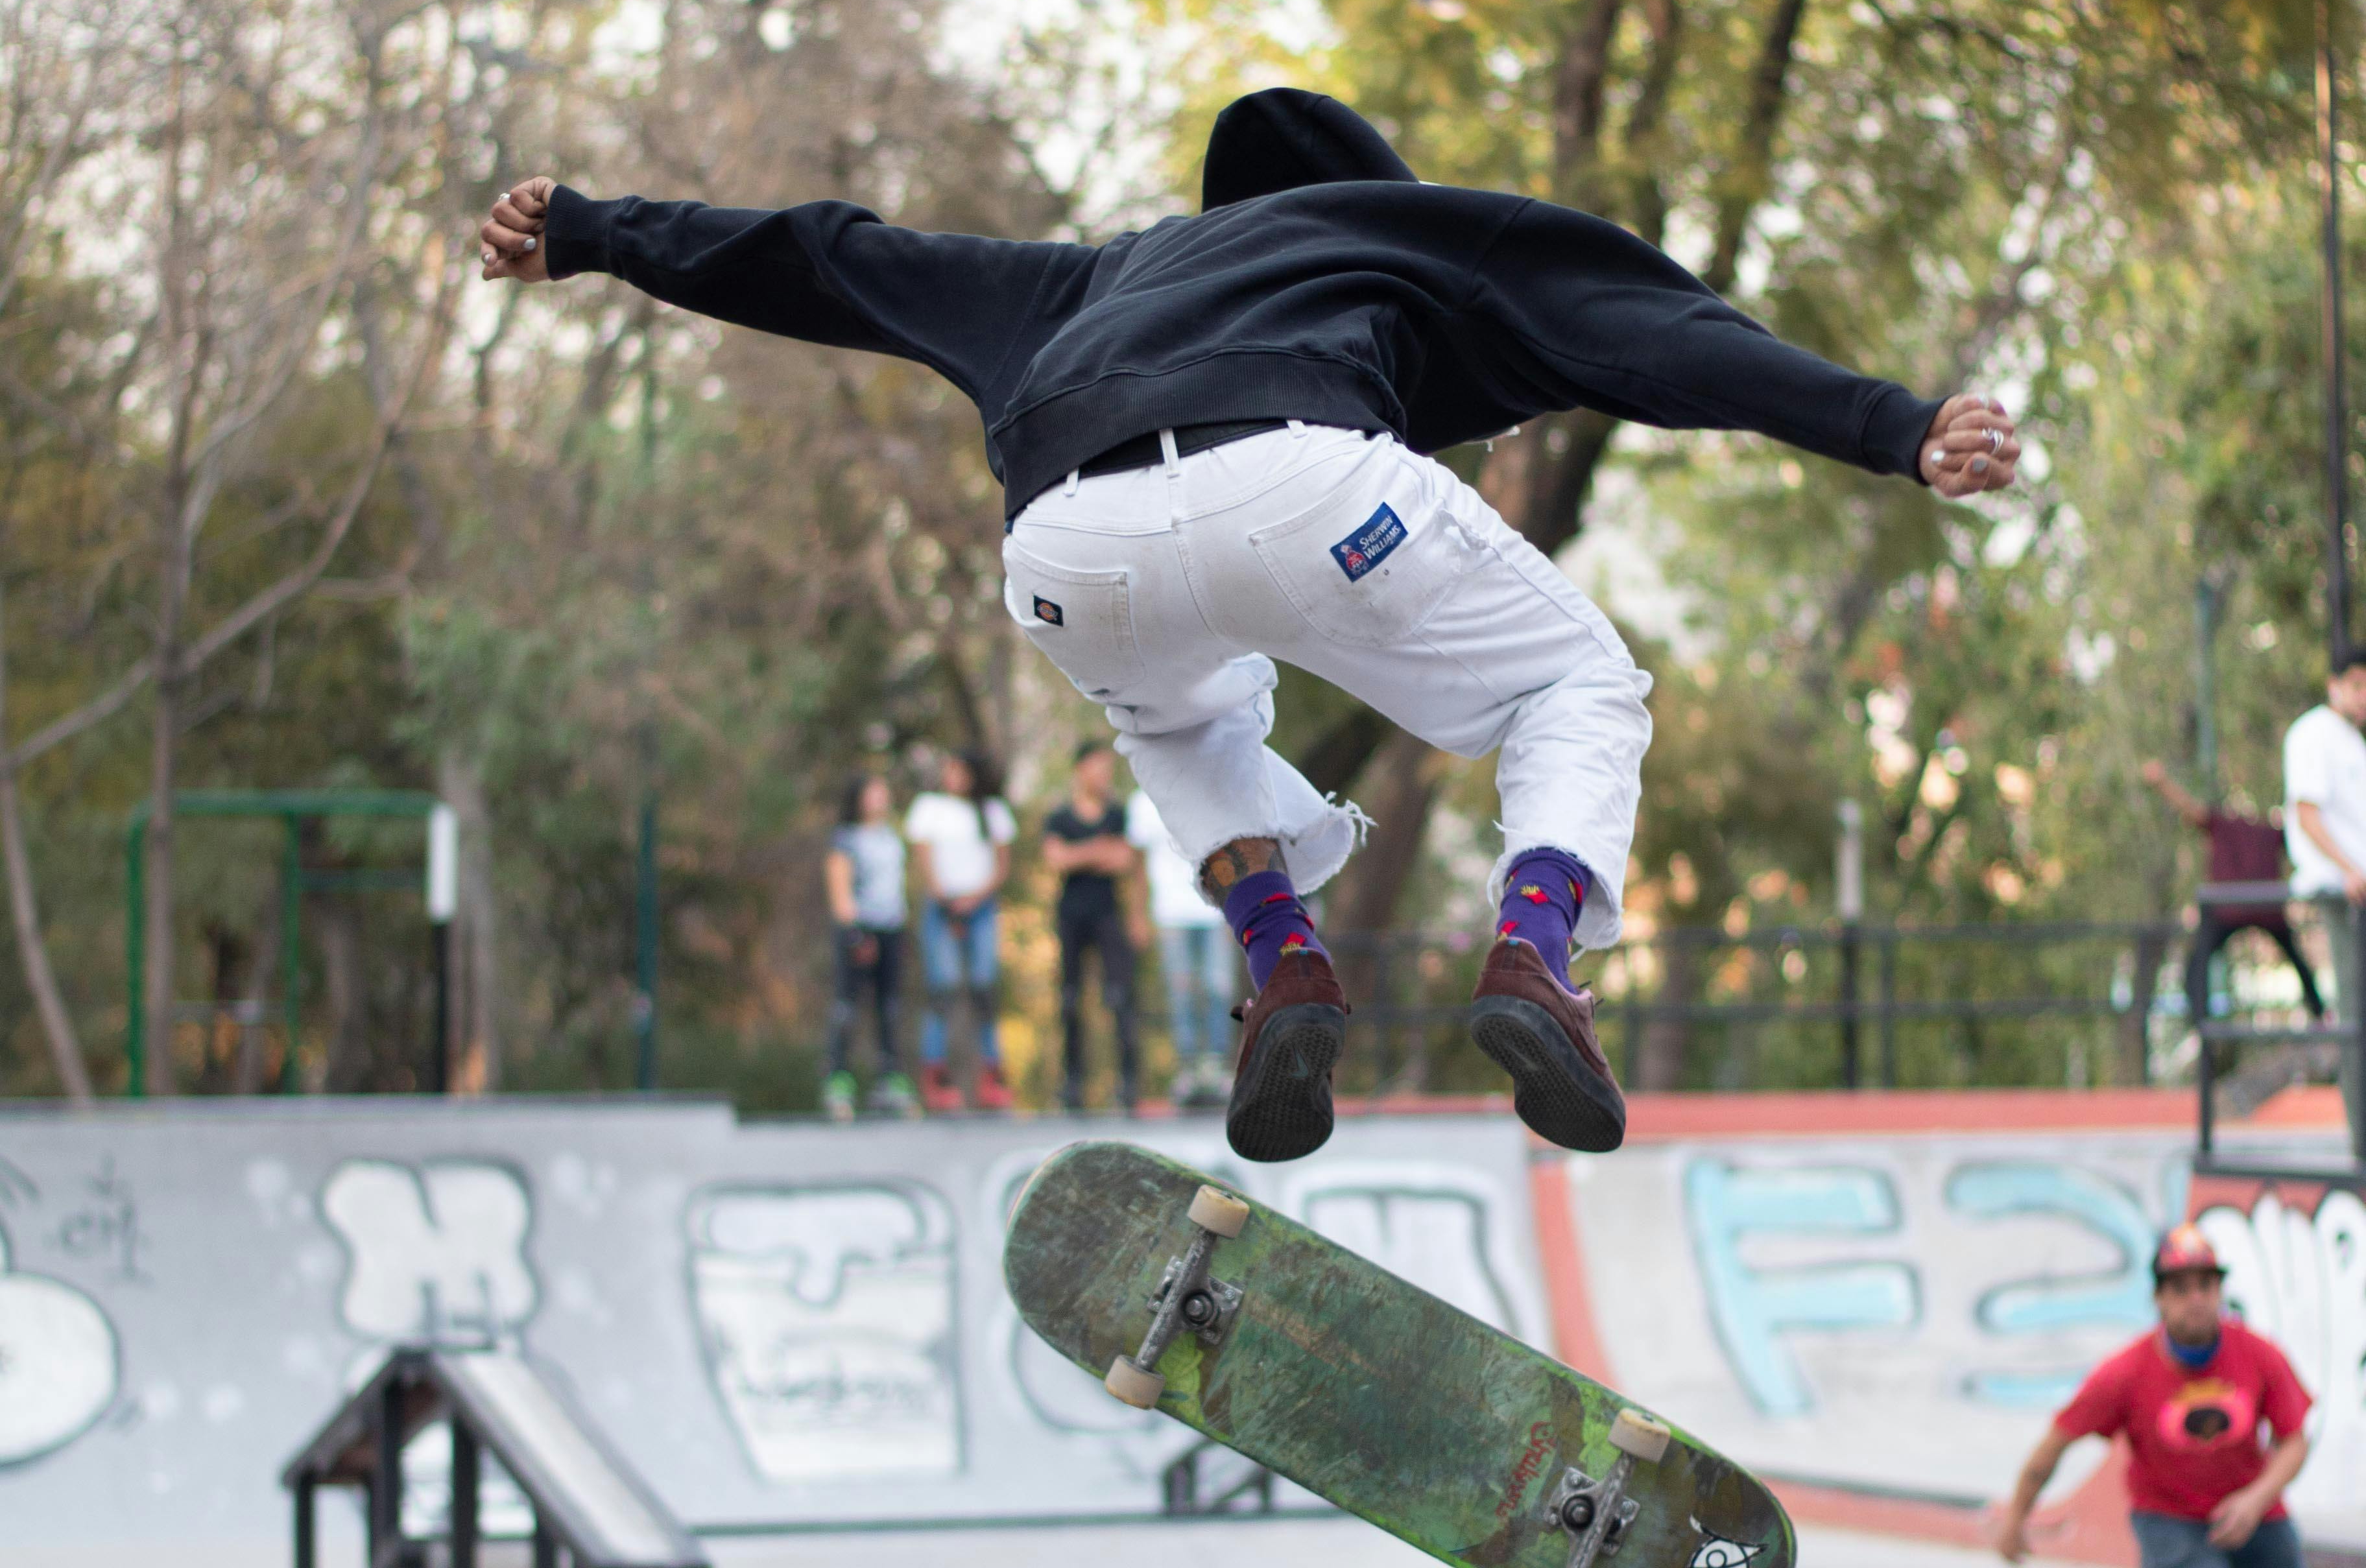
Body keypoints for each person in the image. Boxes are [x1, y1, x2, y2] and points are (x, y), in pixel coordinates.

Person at [478, 89, 2016, 1167]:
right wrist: (1888, 424)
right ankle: (1537, 948)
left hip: (1065, 536)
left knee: (1173, 715)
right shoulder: (1402, 228)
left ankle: (1283, 957)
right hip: (1306, 481)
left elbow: (834, 256)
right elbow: (1649, 330)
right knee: (1576, 680)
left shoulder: (1088, 275)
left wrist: (600, 231)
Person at [1996, 1221, 2353, 1568]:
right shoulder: (2126, 1373)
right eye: (2181, 1290)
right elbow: (2055, 1446)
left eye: (2206, 1287)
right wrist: (2017, 1517)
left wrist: (2256, 1499)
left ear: (2220, 1292)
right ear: (2160, 1300)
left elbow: (2294, 1441)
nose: (2196, 1301)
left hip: (2254, 1512)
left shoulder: (2256, 1354)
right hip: (2172, 1522)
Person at [2138, 757, 2324, 1038]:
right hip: (2235, 908)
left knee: (2203, 961)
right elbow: (2190, 808)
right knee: (2198, 963)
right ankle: (2202, 1024)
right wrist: (2163, 783)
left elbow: (2306, 835)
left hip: (2256, 907)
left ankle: (2320, 1015)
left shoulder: (2266, 830)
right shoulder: (2227, 825)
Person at [2283, 650, 2366, 1142]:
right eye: (2356, 685)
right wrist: (2348, 870)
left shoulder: (2351, 740)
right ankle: (2362, 1144)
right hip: (2342, 896)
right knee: (2354, 1018)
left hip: (2356, 888)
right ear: (2334, 684)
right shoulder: (2314, 733)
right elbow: (2307, 813)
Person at [903, 750, 1014, 1111]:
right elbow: (924, 859)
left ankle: (992, 1074)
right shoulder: (928, 808)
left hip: (981, 909)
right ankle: (937, 1075)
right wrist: (947, 899)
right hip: (942, 908)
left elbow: (1001, 864)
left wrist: (974, 899)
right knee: (943, 987)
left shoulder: (992, 812)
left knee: (983, 987)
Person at [1042, 741, 1145, 1115]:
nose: (1104, 775)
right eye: (1098, 767)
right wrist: (1097, 849)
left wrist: (1080, 854)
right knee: (1070, 999)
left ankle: (1128, 1082)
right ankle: (1072, 1083)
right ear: (1080, 769)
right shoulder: (1059, 817)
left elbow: (1124, 861)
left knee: (1120, 998)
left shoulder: (1119, 815)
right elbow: (1056, 860)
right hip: (1071, 916)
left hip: (1109, 916)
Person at [1129, 780, 1237, 1106]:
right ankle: (1188, 1068)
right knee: (1181, 991)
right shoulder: (1144, 802)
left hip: (1215, 909)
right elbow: (1137, 867)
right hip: (1171, 912)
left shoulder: (1213, 792)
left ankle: (1216, 1067)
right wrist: (1137, 913)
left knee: (1218, 987)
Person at [821, 768, 916, 1119]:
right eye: (873, 792)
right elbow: (840, 889)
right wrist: (855, 933)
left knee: (890, 1008)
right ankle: (838, 1079)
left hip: (891, 927)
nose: (881, 797)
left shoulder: (892, 837)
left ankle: (890, 1079)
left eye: (883, 790)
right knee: (848, 1007)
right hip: (861, 928)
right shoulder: (846, 839)